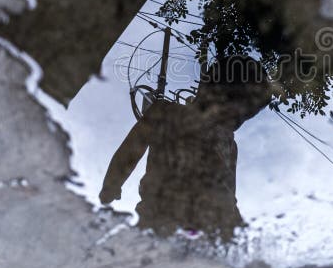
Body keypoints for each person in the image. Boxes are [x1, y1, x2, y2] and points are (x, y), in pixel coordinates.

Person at [100, 58, 271, 240]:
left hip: (210, 232)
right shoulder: (164, 112)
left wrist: (235, 228)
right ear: (208, 88)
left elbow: (229, 192)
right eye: (235, 110)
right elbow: (129, 152)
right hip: (160, 219)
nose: (237, 120)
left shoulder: (230, 145)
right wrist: (111, 185)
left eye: (244, 116)